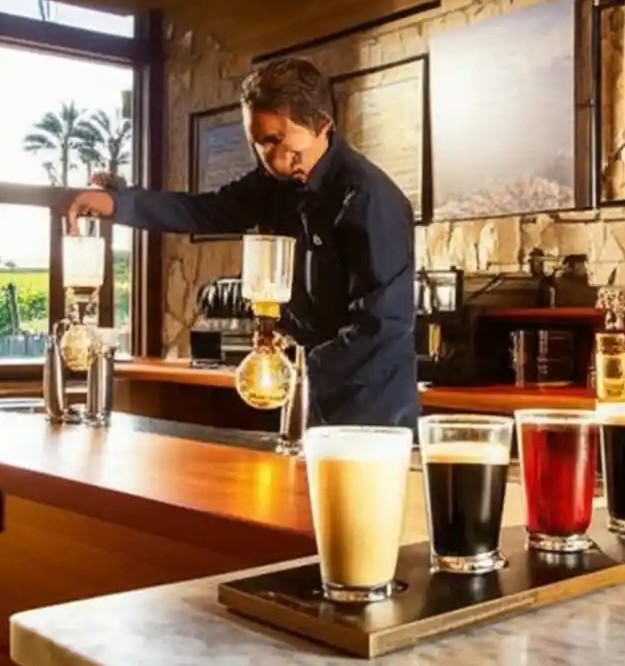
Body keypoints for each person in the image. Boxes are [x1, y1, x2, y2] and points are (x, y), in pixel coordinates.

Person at [66, 57, 418, 428]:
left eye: (279, 142)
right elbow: (204, 211)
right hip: (303, 401)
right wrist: (119, 203)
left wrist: (292, 369)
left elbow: (380, 326)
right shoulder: (274, 185)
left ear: (323, 126)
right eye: (260, 145)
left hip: (372, 412)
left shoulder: (370, 198)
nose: (273, 161)